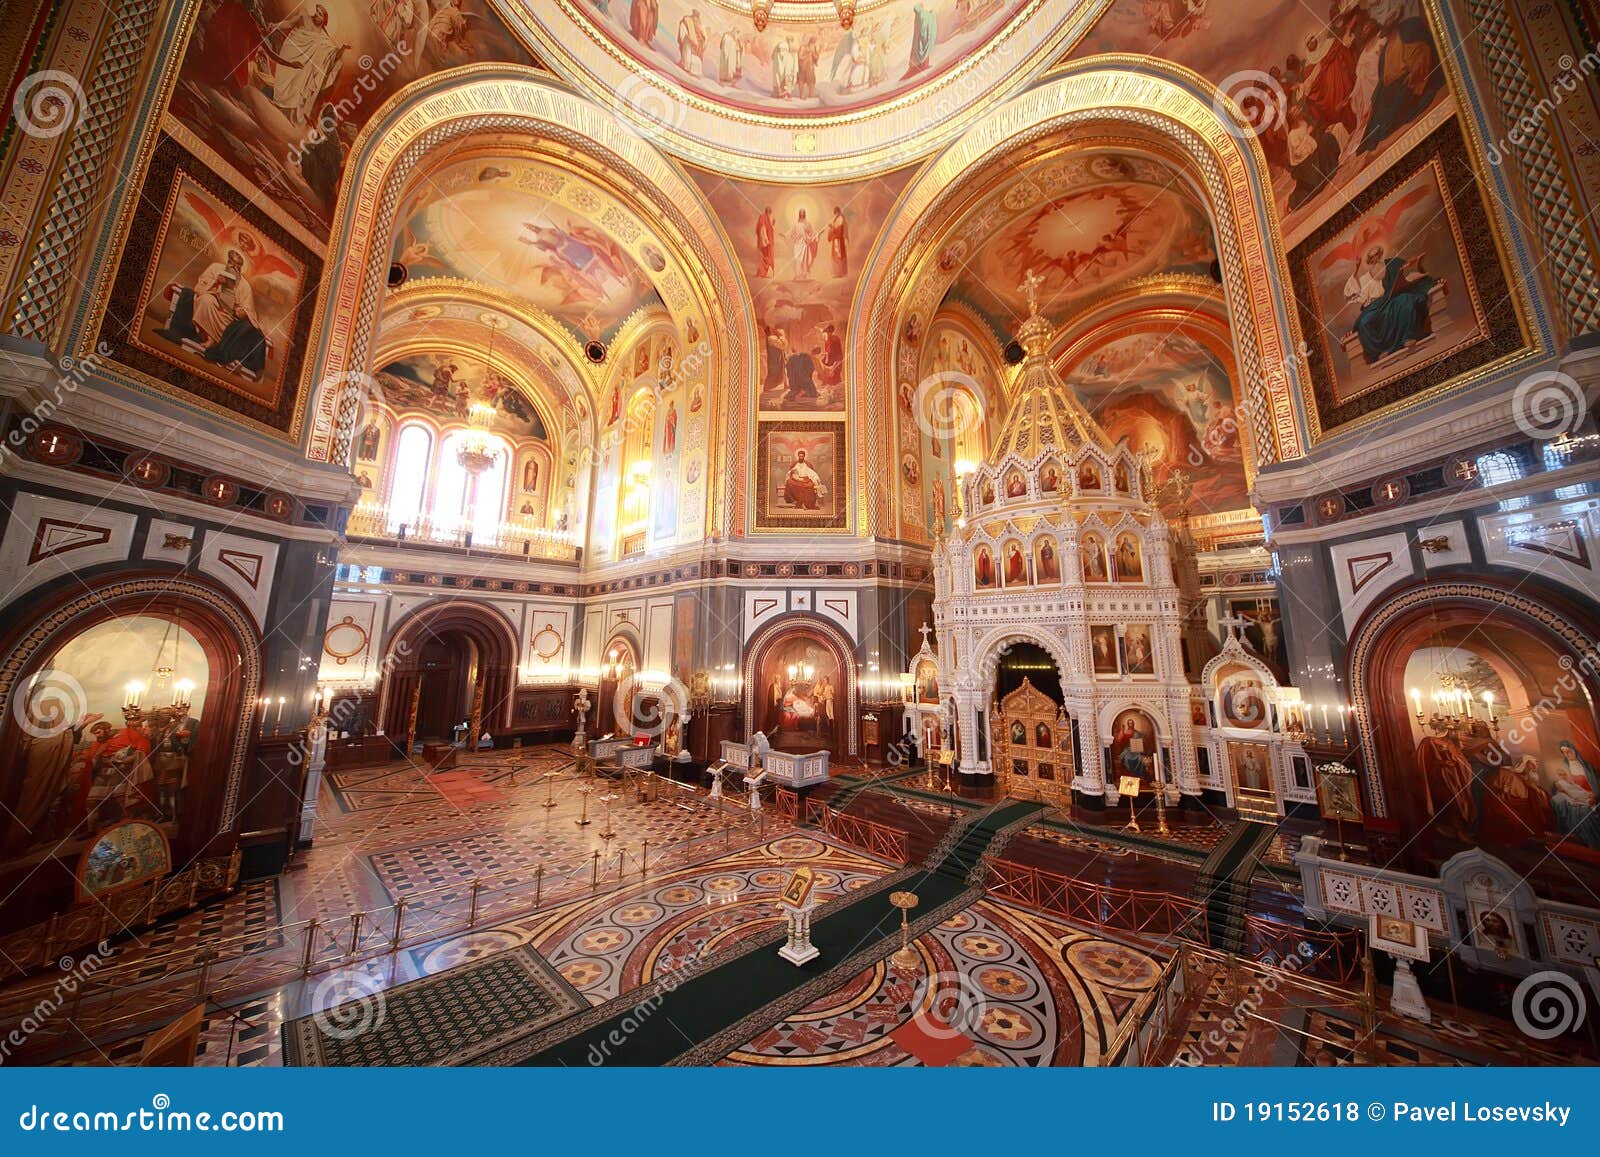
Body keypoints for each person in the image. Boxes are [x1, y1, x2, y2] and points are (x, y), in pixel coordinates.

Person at [1344, 243, 1436, 364]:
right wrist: (1356, 269)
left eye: (1377, 255)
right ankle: (1380, 351)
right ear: (1369, 260)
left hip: (1392, 298)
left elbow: (1406, 272)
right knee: (1364, 322)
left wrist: (1415, 264)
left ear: (1380, 254)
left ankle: (1408, 337)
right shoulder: (1365, 278)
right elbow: (1354, 294)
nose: (1375, 258)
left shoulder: (1392, 264)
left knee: (1405, 301)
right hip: (1374, 306)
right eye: (1372, 257)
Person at [266, 5, 349, 127]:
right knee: (286, 79)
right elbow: (289, 24)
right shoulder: (304, 16)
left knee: (300, 82)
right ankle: (278, 101)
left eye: (320, 14)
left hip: (304, 65)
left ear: (324, 20)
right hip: (292, 52)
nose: (316, 14)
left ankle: (283, 110)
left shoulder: (324, 37)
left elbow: (332, 56)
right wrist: (275, 25)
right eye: (317, 11)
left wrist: (342, 49)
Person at [903, 1, 937, 79]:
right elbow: (926, 22)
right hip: (922, 39)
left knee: (919, 51)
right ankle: (923, 65)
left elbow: (920, 29)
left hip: (919, 40)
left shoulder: (919, 15)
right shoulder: (922, 14)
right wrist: (932, 14)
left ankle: (921, 65)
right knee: (923, 50)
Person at [789, 209, 818, 280]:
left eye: (803, 213)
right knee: (798, 259)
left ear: (804, 214)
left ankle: (805, 274)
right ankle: (798, 275)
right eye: (800, 213)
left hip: (805, 244)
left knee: (805, 259)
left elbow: (812, 232)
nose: (802, 215)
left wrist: (813, 236)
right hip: (797, 243)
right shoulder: (795, 223)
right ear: (799, 214)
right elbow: (791, 233)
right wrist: (790, 236)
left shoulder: (807, 223)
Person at [826, 206, 849, 278]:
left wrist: (832, 227)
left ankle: (840, 273)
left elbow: (839, 230)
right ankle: (837, 273)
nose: (835, 214)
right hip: (835, 239)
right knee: (836, 256)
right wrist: (831, 227)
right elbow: (834, 228)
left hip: (838, 240)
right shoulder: (836, 219)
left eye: (835, 212)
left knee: (839, 255)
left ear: (837, 211)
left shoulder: (841, 218)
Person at [755, 207, 776, 277]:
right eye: (770, 212)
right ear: (768, 212)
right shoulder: (763, 217)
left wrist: (772, 224)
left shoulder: (767, 218)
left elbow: (769, 229)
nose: (770, 214)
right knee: (765, 257)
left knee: (766, 256)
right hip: (765, 242)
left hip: (767, 241)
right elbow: (762, 230)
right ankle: (761, 273)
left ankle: (762, 273)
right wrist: (766, 240)